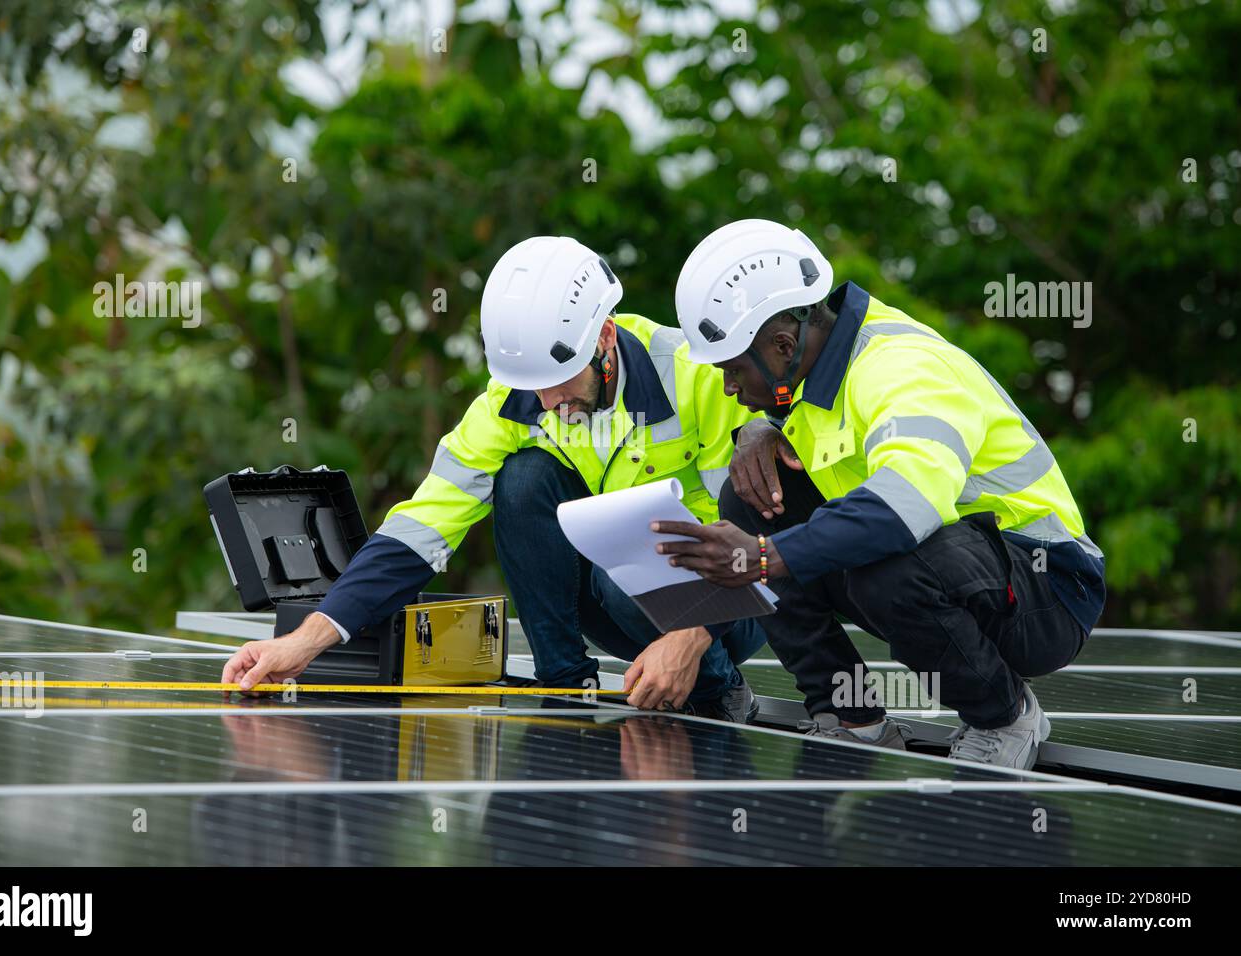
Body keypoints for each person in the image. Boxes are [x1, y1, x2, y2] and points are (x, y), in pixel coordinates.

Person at [222, 236, 765, 721]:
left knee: (629, 564)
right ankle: (564, 688)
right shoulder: (513, 403)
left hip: (726, 605)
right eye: (536, 389)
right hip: (615, 599)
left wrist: (692, 637)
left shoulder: (698, 377)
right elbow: (421, 529)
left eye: (558, 382)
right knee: (524, 477)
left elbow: (751, 533)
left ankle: (720, 691)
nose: (549, 405)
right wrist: (304, 640)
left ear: (603, 336)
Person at [650, 219, 1105, 768]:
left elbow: (903, 507)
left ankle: (1003, 716)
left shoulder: (900, 365)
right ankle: (852, 717)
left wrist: (762, 557)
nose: (727, 388)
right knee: (748, 500)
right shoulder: (809, 372)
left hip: (1047, 590)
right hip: (957, 570)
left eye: (732, 370)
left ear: (782, 343)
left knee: (876, 561)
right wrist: (762, 429)